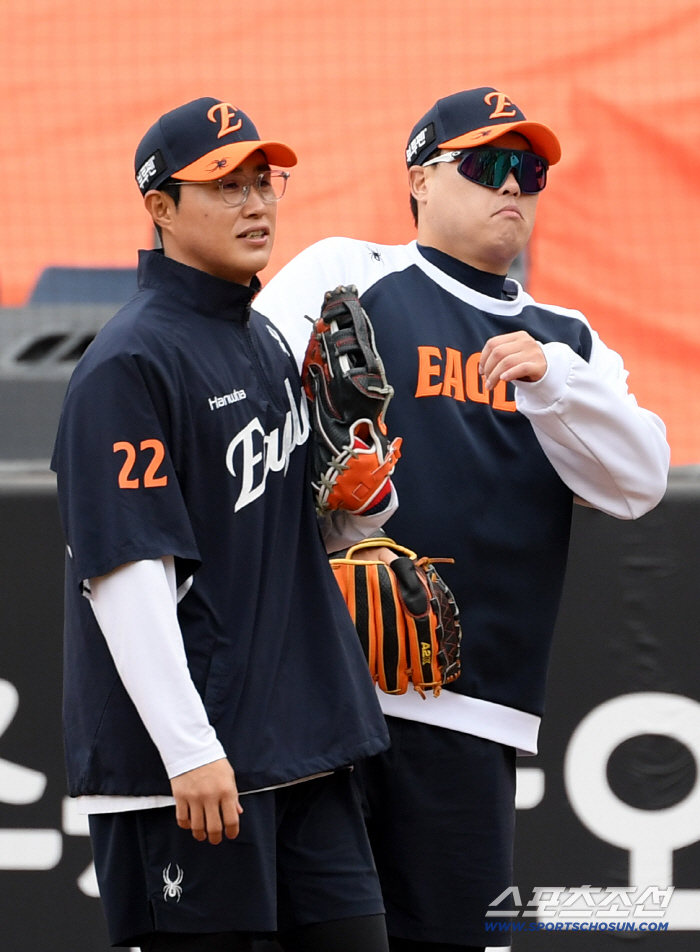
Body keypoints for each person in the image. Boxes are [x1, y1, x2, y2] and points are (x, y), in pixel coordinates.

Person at [252, 87, 670, 951]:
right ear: (419, 180)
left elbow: (639, 482)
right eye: (485, 165)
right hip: (327, 693)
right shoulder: (345, 270)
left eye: (529, 170)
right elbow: (237, 417)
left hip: (473, 711)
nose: (511, 187)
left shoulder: (572, 340)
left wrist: (551, 382)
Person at [51, 97, 396, 952]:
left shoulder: (266, 341)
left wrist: (356, 503)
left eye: (262, 181)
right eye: (224, 186)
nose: (256, 204)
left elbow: (288, 534)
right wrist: (188, 750)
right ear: (160, 207)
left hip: (304, 747)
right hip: (200, 771)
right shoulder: (128, 364)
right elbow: (127, 574)